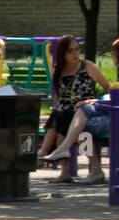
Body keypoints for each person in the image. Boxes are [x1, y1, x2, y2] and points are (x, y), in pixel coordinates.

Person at [45, 38, 119, 167]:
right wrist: (93, 102)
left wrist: (94, 102)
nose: (112, 56)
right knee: (79, 118)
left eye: (113, 53)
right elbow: (118, 97)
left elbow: (117, 98)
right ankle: (83, 165)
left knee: (80, 129)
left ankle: (91, 167)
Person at [38, 36, 111, 183]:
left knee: (64, 122)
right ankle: (78, 170)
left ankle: (42, 155)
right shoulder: (58, 70)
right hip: (63, 113)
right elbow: (58, 96)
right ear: (62, 53)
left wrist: (95, 101)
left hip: (85, 111)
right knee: (60, 119)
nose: (75, 53)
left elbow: (109, 89)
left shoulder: (88, 66)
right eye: (70, 51)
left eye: (77, 49)